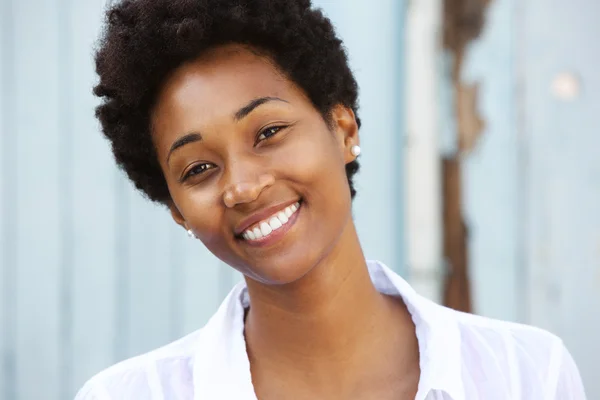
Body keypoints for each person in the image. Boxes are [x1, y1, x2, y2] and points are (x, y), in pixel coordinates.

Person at [75, 0, 586, 398]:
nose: (243, 187)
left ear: (342, 129)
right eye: (199, 169)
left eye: (269, 131)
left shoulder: (527, 374)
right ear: (177, 210)